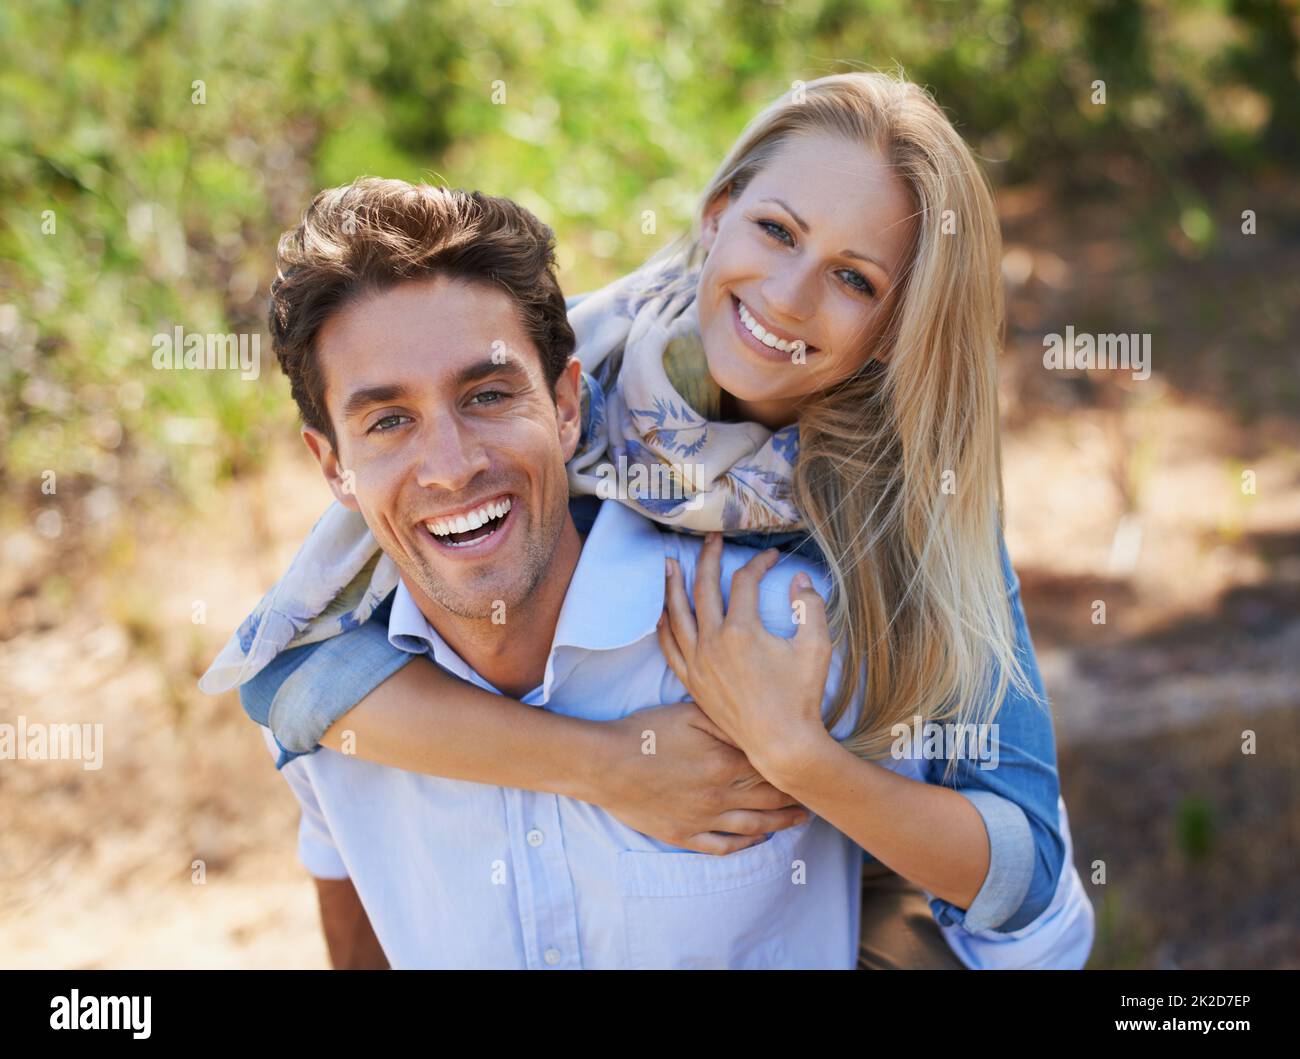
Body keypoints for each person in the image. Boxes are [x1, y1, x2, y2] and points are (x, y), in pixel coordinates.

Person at [202, 73, 1094, 969]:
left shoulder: (905, 520)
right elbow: (287, 681)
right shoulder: (590, 391)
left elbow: (1029, 877)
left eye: (854, 279)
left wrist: (797, 756)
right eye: (777, 230)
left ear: (903, 324)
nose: (785, 297)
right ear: (717, 215)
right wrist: (608, 765)